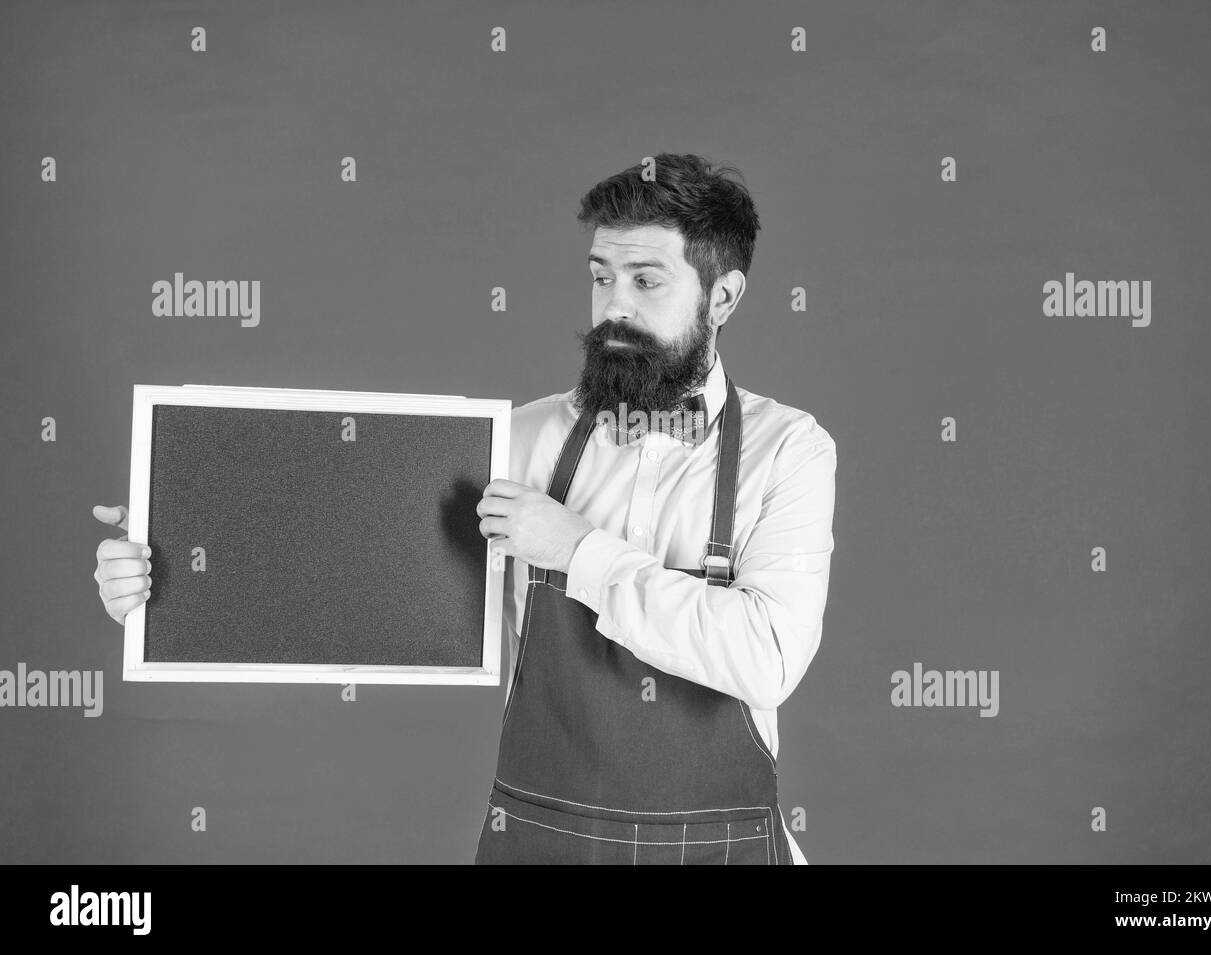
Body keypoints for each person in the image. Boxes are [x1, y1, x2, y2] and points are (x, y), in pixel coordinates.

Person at [92, 152, 837, 865]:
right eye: (600, 276)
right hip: (540, 839)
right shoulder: (517, 439)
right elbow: (334, 549)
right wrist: (170, 562)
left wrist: (578, 550)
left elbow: (765, 655)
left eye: (646, 281)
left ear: (724, 296)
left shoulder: (788, 451)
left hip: (723, 847)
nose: (613, 307)